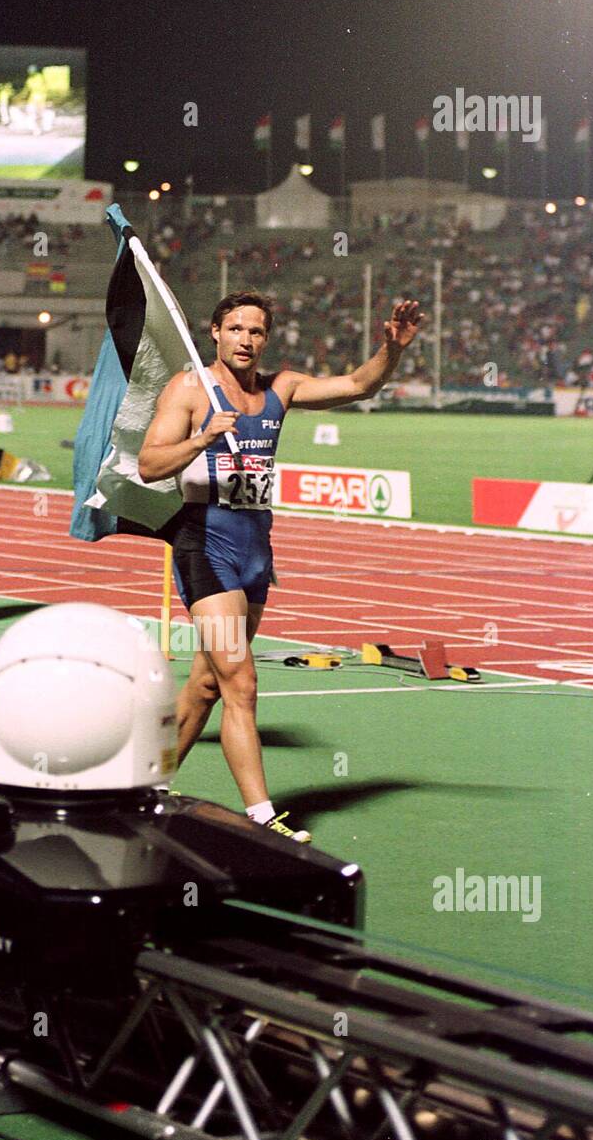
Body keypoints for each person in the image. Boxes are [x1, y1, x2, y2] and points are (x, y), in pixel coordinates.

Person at [138, 289, 424, 841]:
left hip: (254, 553)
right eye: (236, 329)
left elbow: (359, 385)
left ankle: (146, 783)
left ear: (266, 339)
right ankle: (263, 819)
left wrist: (393, 350)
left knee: (205, 684)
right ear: (215, 333)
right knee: (241, 682)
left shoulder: (281, 388)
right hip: (205, 548)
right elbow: (150, 464)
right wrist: (203, 437)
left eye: (257, 331)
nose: (246, 340)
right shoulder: (191, 389)